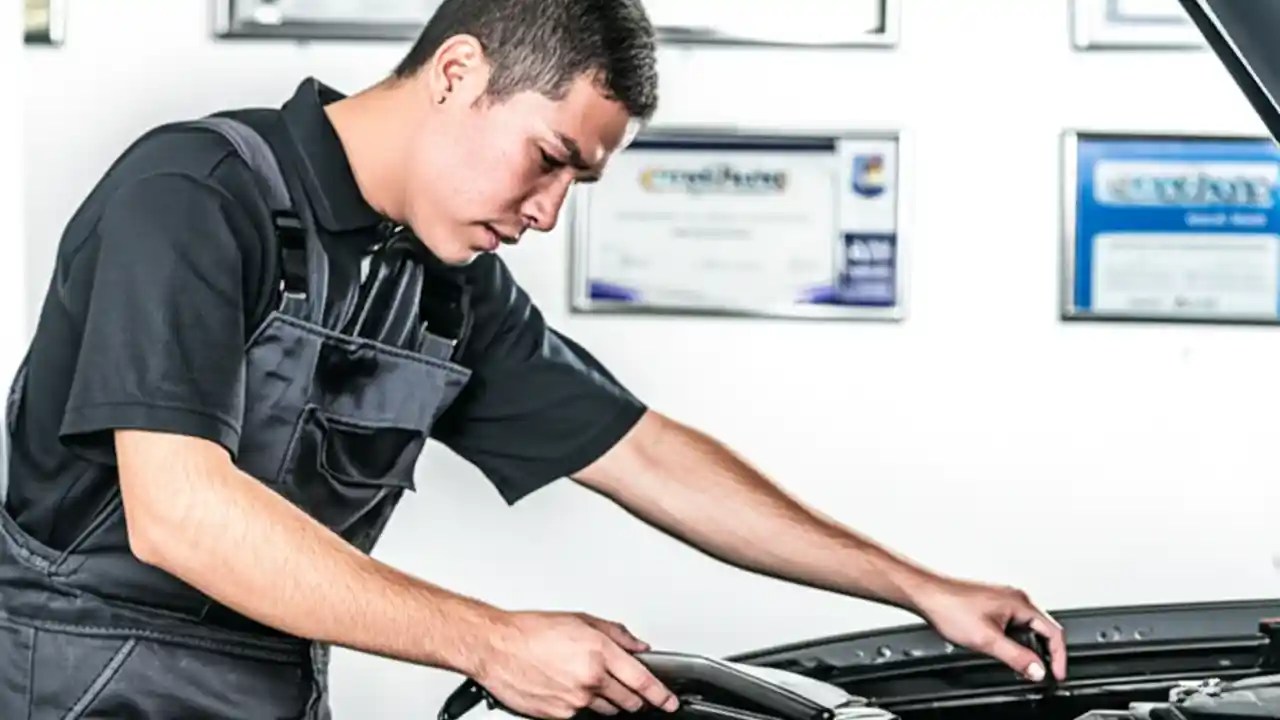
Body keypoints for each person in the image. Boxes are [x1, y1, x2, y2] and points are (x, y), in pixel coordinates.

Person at [0, 0, 1067, 717]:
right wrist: (487, 640)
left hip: (270, 688)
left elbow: (642, 455)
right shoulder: (193, 197)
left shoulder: (440, 283)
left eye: (578, 184)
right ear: (457, 72)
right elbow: (179, 509)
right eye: (547, 159)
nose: (547, 214)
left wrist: (916, 587)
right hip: (74, 687)